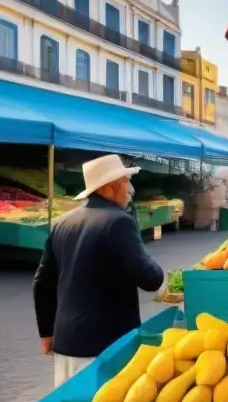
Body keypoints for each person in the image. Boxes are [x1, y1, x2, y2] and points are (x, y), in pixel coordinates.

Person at [33, 155, 165, 387]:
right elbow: (150, 278)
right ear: (111, 186)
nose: (130, 189)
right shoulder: (119, 222)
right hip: (108, 348)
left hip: (66, 345)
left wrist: (46, 332)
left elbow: (42, 282)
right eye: (126, 182)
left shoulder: (62, 223)